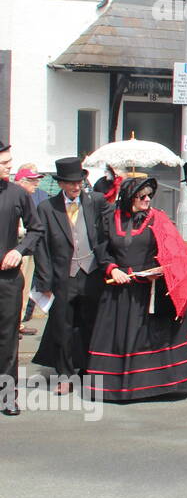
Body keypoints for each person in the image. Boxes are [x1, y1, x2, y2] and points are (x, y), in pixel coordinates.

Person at [83, 176, 187, 403]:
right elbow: (101, 248)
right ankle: (114, 388)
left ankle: (155, 386)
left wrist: (163, 269)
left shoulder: (158, 218)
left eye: (149, 196)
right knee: (117, 336)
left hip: (149, 288)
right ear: (130, 198)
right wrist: (111, 269)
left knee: (151, 336)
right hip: (119, 289)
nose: (147, 199)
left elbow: (174, 249)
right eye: (142, 197)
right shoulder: (110, 218)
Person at [30, 158, 109, 392]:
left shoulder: (95, 201)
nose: (76, 186)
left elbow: (107, 229)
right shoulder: (47, 207)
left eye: (79, 181)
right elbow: (41, 246)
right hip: (63, 276)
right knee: (62, 326)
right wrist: (45, 281)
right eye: (71, 183)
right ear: (62, 183)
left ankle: (88, 369)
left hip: (92, 273)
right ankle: (64, 375)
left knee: (90, 323)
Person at [0, 143, 41, 416]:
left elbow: (36, 229)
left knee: (7, 338)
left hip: (7, 279)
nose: (10, 167)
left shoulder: (17, 194)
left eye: (10, 161)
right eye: (5, 163)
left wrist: (18, 250)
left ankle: (7, 396)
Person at [15, 166, 47, 335]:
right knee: (15, 289)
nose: (36, 185)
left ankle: (18, 323)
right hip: (15, 250)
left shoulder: (31, 198)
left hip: (29, 249)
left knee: (25, 288)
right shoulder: (13, 197)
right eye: (33, 181)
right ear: (23, 182)